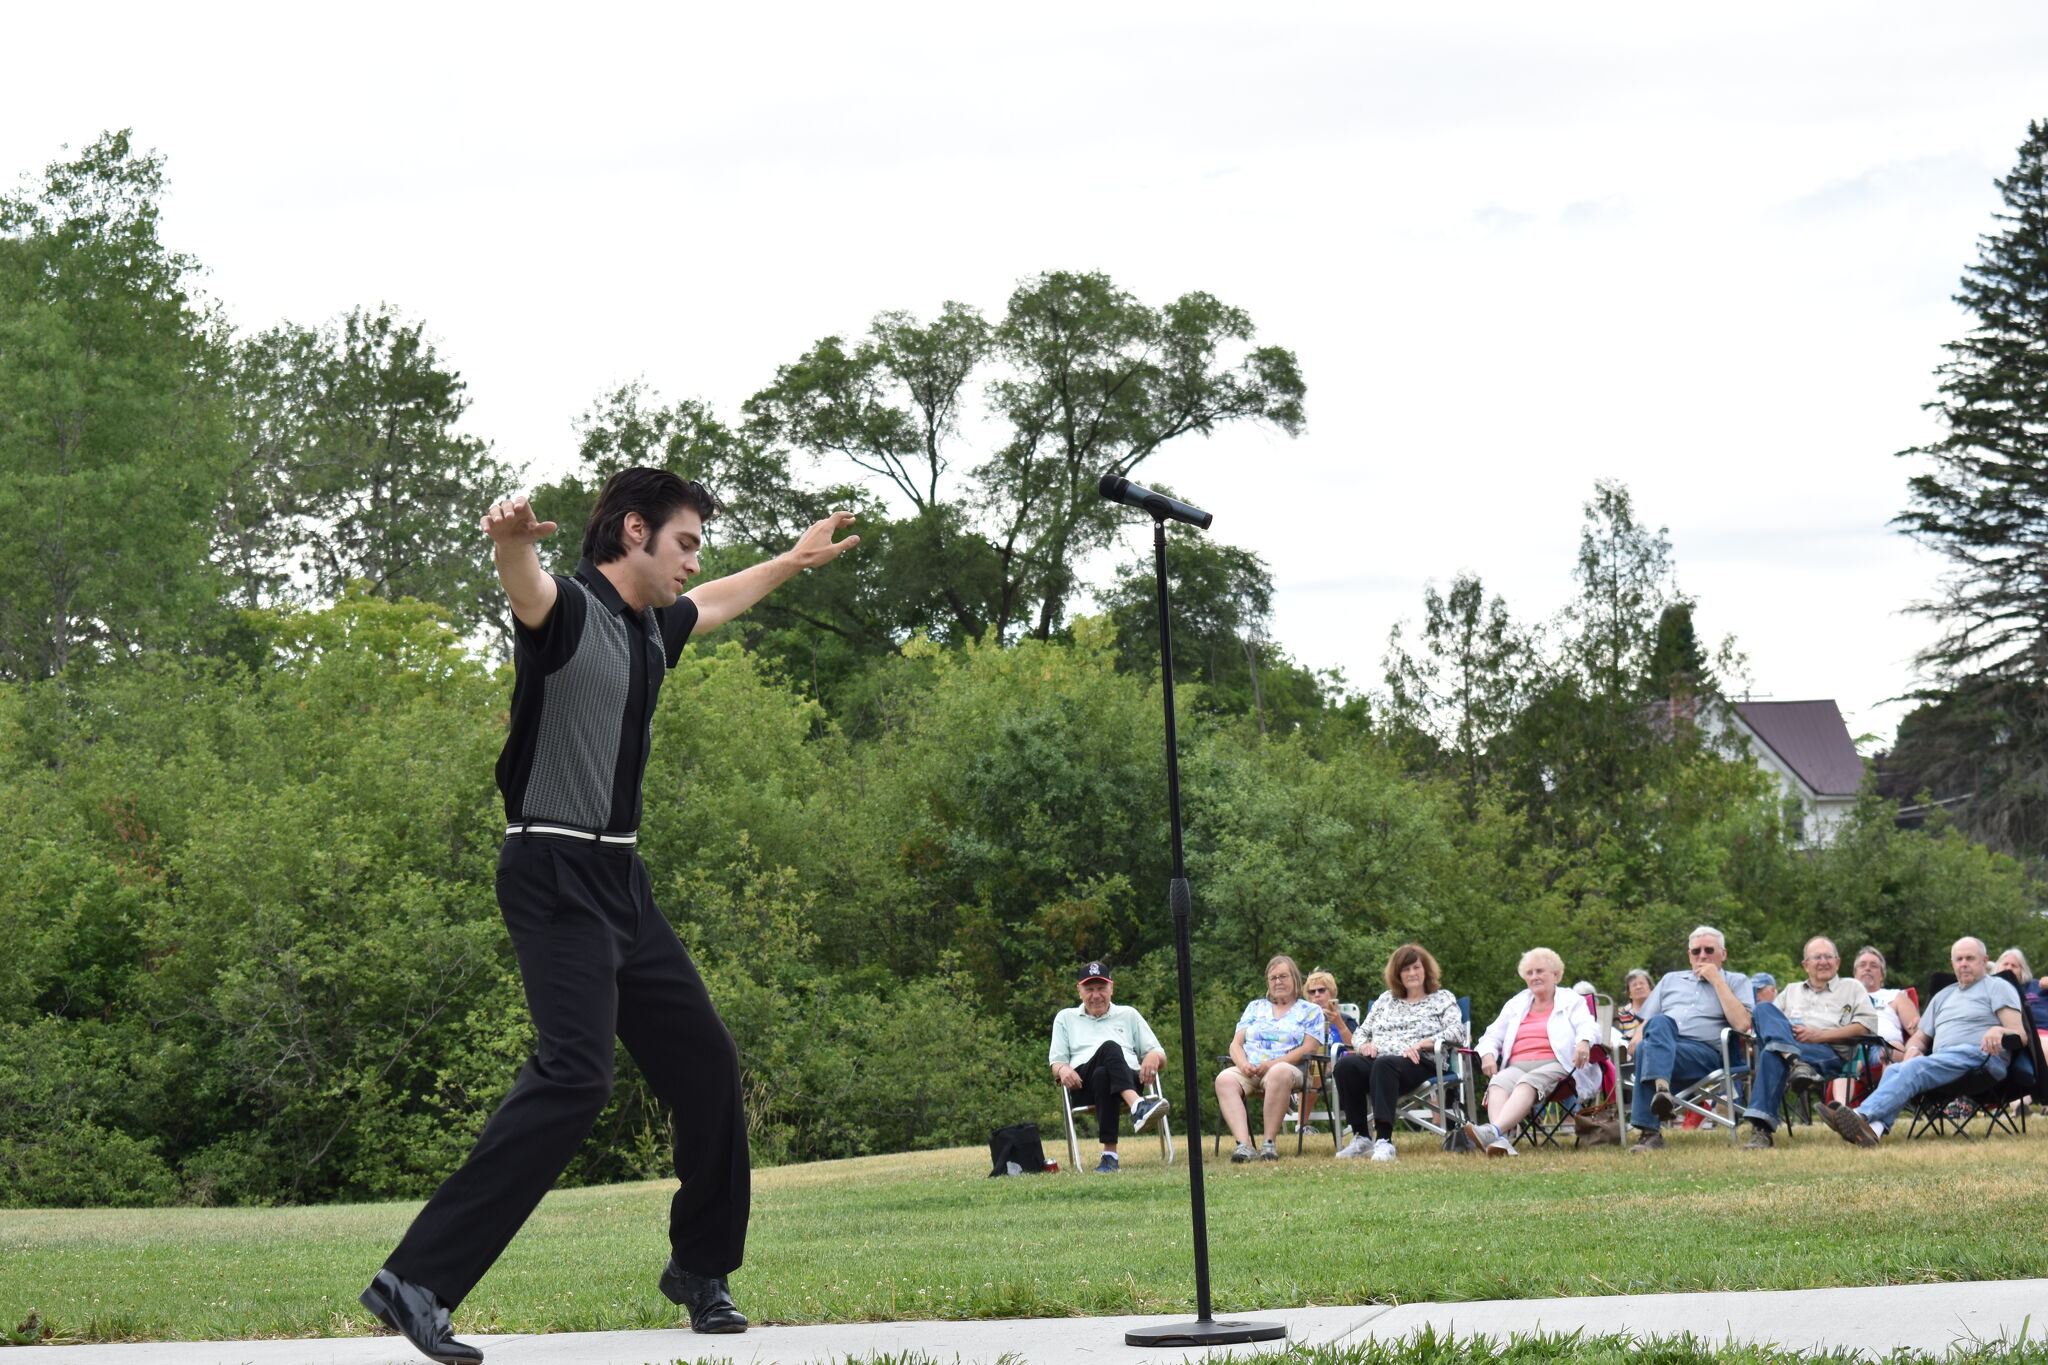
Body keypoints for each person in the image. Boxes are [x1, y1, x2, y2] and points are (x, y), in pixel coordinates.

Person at [359, 472, 859, 1365]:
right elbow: (529, 586)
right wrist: (512, 540)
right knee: (576, 1075)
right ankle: (417, 1281)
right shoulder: (571, 613)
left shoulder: (651, 631)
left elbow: (713, 602)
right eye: (686, 541)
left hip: (622, 879)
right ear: (635, 532)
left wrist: (790, 560)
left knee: (707, 1062)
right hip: (552, 870)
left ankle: (701, 1268)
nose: (694, 559)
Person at [1828, 937, 2027, 1146]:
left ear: (1985, 961)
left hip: (1982, 1058)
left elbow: (2019, 1034)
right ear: (1952, 963)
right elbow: (1920, 1037)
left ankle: (1860, 1115)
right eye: (1959, 959)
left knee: (1915, 1068)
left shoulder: (1998, 987)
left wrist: (1998, 1030)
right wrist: (1913, 1047)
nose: (1964, 963)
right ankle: (1874, 1131)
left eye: (1970, 958)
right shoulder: (1942, 996)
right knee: (1898, 1069)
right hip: (1944, 1061)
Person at [1627, 924, 1802, 1152]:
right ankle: (1660, 1090)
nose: (1702, 956)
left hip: (1706, 1054)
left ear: (1723, 954)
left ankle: (1650, 1131)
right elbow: (1648, 1020)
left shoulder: (1737, 981)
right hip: (1665, 1046)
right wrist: (1637, 1036)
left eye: (1709, 950)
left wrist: (1716, 980)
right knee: (1654, 1032)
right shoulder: (1670, 979)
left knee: (1647, 1050)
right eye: (1696, 951)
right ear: (1688, 955)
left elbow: (1742, 1024)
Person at [1332, 944, 1466, 1163]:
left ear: (1426, 970)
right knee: (1347, 1066)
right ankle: (1362, 1137)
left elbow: (1458, 1032)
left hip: (1419, 1061)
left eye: (1416, 967)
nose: (1412, 973)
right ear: (1397, 974)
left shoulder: (1442, 998)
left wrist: (1425, 1043)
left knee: (1385, 1064)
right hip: (1378, 1061)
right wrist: (1364, 1045)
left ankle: (1384, 1140)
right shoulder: (1386, 1000)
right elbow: (1361, 1032)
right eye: (1406, 969)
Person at [1462, 948, 1598, 1157]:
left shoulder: (1571, 1000)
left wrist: (1584, 1041)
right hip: (1517, 1064)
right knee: (1497, 1083)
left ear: (1555, 974)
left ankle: (1494, 1131)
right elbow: (1491, 1035)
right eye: (1530, 973)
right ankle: (1501, 1142)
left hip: (1556, 1063)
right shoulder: (1516, 1003)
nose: (1534, 977)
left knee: (1528, 1083)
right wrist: (1487, 1054)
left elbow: (1588, 1026)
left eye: (1540, 971)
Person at [1049, 962, 1169, 1173]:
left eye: (1101, 988)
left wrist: (1152, 1056)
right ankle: (1138, 1107)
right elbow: (1056, 1062)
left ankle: (1109, 1157)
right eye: (1089, 989)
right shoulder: (1065, 1018)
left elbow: (1159, 1054)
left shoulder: (1128, 1014)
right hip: (1084, 1084)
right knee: (1110, 1048)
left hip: (1127, 1078)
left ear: (1111, 988)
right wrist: (1062, 1070)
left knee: (1104, 1073)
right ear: (1079, 991)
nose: (1096, 995)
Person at [1215, 955, 1324, 1162]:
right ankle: (1244, 1145)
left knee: (1278, 1072)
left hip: (1290, 1069)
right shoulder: (1255, 1007)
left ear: (1295, 979)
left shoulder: (1310, 1010)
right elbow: (1235, 1044)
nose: (1278, 982)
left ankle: (1269, 1144)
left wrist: (1271, 1065)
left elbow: (1309, 1047)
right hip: (1251, 1068)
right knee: (1224, 1079)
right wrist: (1243, 1064)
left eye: (1283, 976)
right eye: (1273, 978)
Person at [1774, 936, 1881, 1107]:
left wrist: (1819, 1036)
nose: (1824, 962)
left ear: (1837, 962)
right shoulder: (1790, 991)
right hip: (1791, 1048)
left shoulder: (1852, 987)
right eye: (1817, 957)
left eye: (1829, 957)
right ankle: (1794, 1060)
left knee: (1769, 1053)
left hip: (1830, 1053)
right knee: (1763, 1010)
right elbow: (1768, 1022)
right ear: (1805, 965)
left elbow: (1865, 1026)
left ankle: (1761, 1123)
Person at [1298, 969, 1352, 1134]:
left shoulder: (1345, 1019)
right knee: (1316, 1066)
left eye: (1322, 990)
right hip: (1310, 1066)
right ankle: (1302, 1125)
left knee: (1351, 1065)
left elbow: (1356, 1046)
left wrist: (1339, 1024)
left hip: (1342, 1064)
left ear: (1332, 993)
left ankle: (1354, 1122)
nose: (1317, 995)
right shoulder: (1301, 1021)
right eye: (1312, 992)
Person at [1852, 946, 1922, 1063]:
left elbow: (1916, 1030)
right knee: (1846, 1063)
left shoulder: (1896, 996)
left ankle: (1888, 1081)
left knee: (1894, 1048)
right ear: (1855, 973)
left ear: (1882, 974)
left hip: (1885, 1045)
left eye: (1873, 965)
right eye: (1862, 965)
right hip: (1853, 1047)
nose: (1867, 968)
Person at [1993, 947, 2048, 1037]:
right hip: (2007, 1036)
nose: (2009, 968)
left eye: (2014, 966)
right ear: (1997, 967)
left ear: (2022, 971)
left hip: (2041, 1032)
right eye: (2005, 964)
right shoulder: (1989, 989)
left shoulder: (2037, 985)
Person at [1613, 968, 1652, 1053]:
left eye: (1642, 983)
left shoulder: (1661, 1011)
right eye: (1634, 985)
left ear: (1650, 989)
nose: (1639, 987)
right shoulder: (1620, 1014)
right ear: (1629, 994)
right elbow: (1618, 1039)